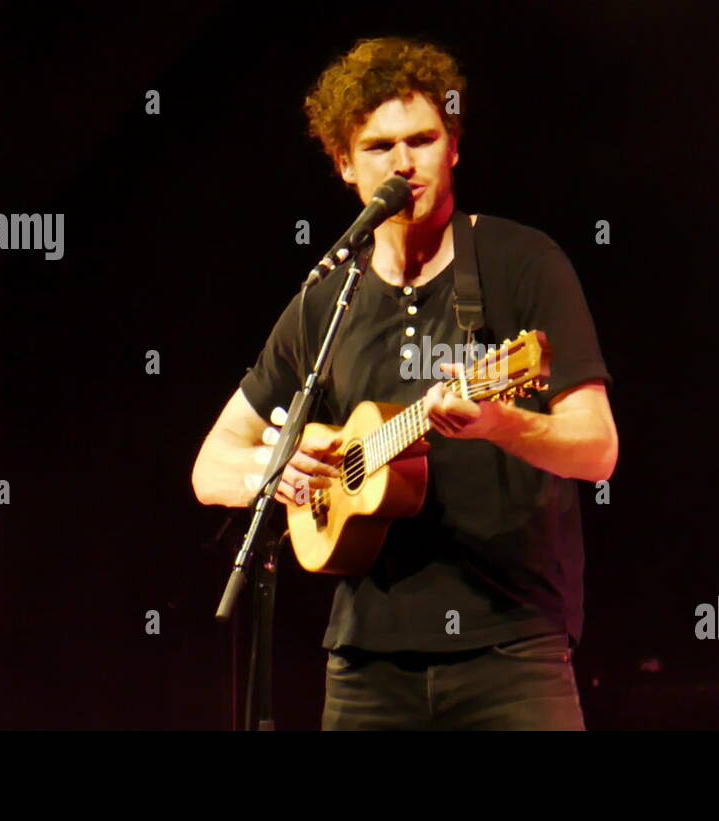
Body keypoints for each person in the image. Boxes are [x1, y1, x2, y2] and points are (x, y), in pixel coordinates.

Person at [191, 36, 617, 730]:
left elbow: (598, 449)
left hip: (513, 651)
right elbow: (211, 465)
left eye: (421, 139)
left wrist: (501, 422)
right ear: (343, 165)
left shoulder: (524, 264)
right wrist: (280, 470)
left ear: (453, 148)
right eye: (378, 147)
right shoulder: (324, 302)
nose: (403, 162)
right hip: (363, 663)